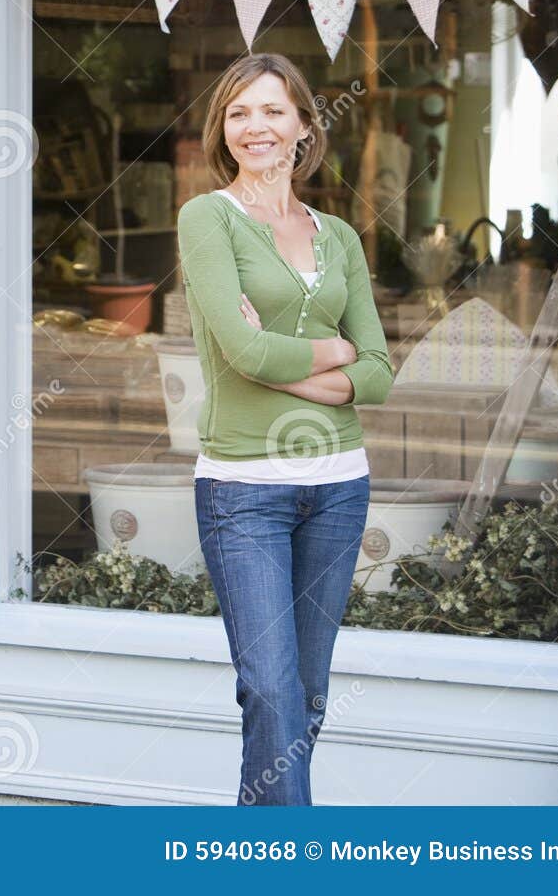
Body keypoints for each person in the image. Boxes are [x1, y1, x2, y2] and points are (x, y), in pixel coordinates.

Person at [174, 53, 394, 805]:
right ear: (222, 129)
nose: (255, 127)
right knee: (270, 689)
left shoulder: (338, 235)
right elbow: (239, 353)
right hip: (243, 489)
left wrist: (287, 362)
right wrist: (333, 353)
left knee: (307, 696)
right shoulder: (208, 218)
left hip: (338, 485)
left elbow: (381, 371)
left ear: (304, 125)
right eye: (238, 112)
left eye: (272, 110)